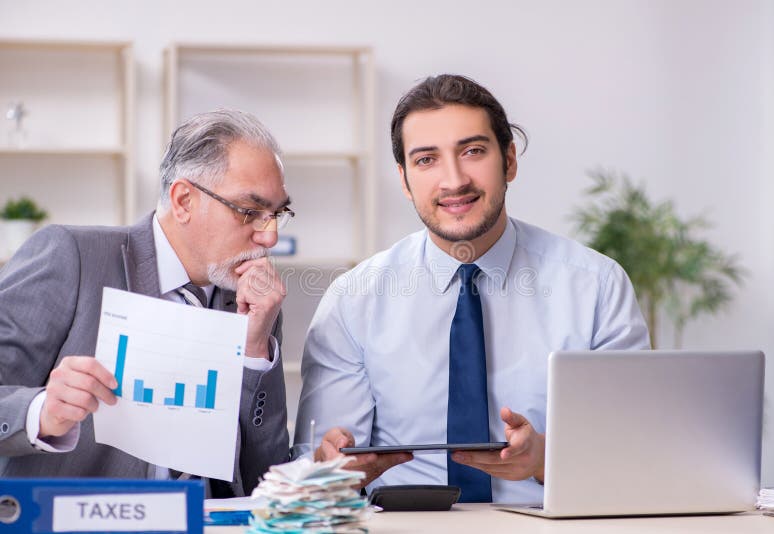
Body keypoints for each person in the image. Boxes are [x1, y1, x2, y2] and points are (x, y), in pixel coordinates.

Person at [294, 75, 650, 503]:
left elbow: (633, 456)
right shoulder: (353, 300)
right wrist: (333, 472)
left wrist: (545, 460)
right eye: (426, 160)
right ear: (405, 181)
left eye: (473, 151)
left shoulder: (596, 287)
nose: (454, 180)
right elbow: (317, 471)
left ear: (509, 161)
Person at [0, 109, 292, 496]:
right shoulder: (73, 257)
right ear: (184, 200)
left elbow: (265, 480)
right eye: (250, 212)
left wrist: (256, 351)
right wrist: (40, 411)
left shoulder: (253, 306)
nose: (269, 237)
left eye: (277, 214)